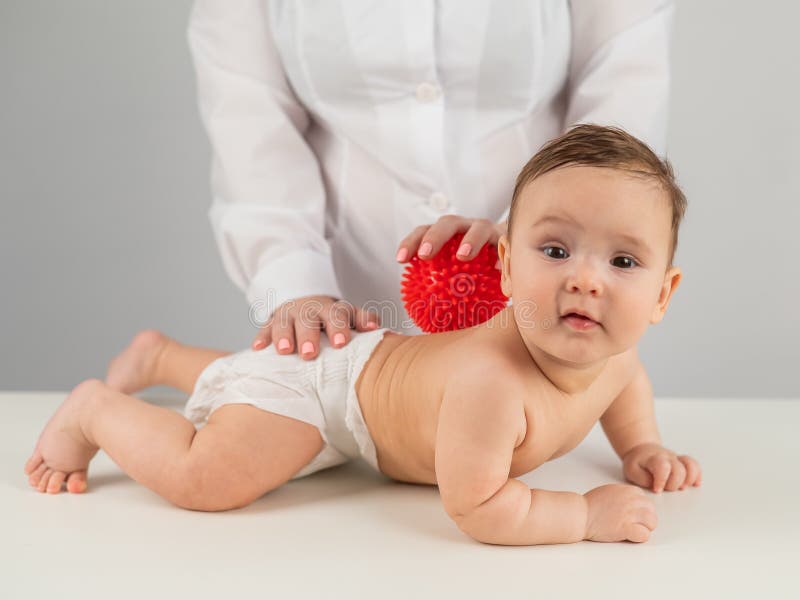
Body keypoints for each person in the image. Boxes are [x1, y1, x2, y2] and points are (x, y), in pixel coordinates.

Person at [25, 125, 702, 545]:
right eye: (554, 250)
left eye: (622, 262)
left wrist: (640, 444)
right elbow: (479, 505)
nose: (587, 281)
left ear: (661, 296)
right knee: (213, 477)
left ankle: (163, 355)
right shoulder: (491, 385)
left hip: (366, 367)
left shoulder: (613, 356)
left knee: (250, 380)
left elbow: (625, 382)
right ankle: (97, 411)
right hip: (330, 403)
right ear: (503, 262)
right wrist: (583, 516)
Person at [186, 0, 676, 359]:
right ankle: (160, 358)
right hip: (341, 324)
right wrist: (294, 284)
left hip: (534, 311)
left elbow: (622, 92)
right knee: (265, 431)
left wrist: (541, 241)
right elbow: (248, 118)